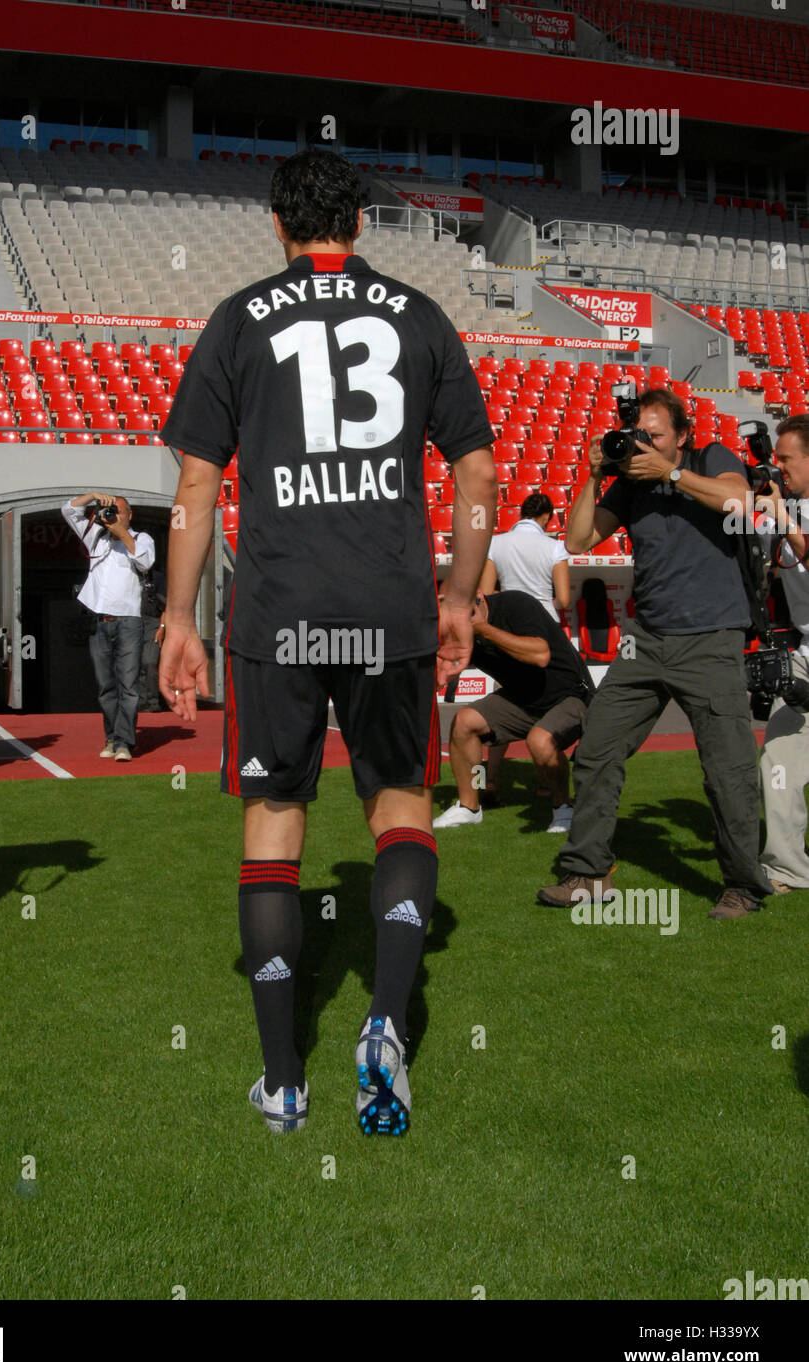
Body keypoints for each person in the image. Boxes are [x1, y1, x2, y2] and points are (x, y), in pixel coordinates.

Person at [159, 148, 496, 1136]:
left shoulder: (236, 321)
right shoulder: (422, 317)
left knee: (275, 823)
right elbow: (476, 477)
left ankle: (284, 1081)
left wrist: (177, 619)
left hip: (279, 613)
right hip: (390, 606)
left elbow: (193, 488)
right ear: (359, 220)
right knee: (401, 809)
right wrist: (462, 594)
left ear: (277, 224)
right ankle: (385, 1022)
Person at [537, 387, 773, 919]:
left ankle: (742, 885)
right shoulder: (628, 484)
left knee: (727, 768)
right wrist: (598, 474)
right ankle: (588, 872)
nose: (643, 443)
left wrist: (668, 472)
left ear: (682, 436)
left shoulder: (709, 458)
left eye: (655, 435)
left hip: (711, 637)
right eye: (638, 434)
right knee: (596, 748)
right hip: (646, 640)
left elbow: (739, 502)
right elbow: (576, 541)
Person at [433, 588, 593, 833]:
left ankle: (563, 806)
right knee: (464, 722)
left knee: (540, 740)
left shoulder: (515, 604)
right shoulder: (458, 630)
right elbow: (438, 673)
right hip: (522, 700)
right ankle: (470, 805)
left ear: (478, 596)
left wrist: (483, 628)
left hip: (570, 695)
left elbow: (540, 655)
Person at [61, 490, 155, 761]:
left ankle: (125, 741)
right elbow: (67, 510)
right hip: (99, 620)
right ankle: (112, 737)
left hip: (129, 621)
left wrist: (120, 531)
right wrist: (91, 496)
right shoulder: (96, 536)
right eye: (109, 511)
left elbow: (146, 561)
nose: (112, 515)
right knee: (105, 685)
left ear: (129, 515)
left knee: (129, 683)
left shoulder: (140, 538)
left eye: (118, 511)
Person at [756, 416, 809, 891]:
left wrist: (783, 516)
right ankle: (789, 867)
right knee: (778, 758)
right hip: (805, 652)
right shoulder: (788, 508)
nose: (779, 468)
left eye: (787, 458)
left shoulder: (790, 513)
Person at [482, 492, 570, 622]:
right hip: (544, 618)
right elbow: (563, 601)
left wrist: (509, 597)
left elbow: (486, 593)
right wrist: (549, 604)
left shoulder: (494, 543)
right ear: (546, 517)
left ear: (521, 515)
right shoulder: (557, 547)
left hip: (509, 617)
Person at [138, 567, 167, 713]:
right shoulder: (128, 575)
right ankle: (139, 702)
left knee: (149, 662)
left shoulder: (158, 577)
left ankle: (153, 702)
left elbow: (166, 607)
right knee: (134, 664)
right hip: (133, 621)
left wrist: (162, 627)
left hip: (153, 622)